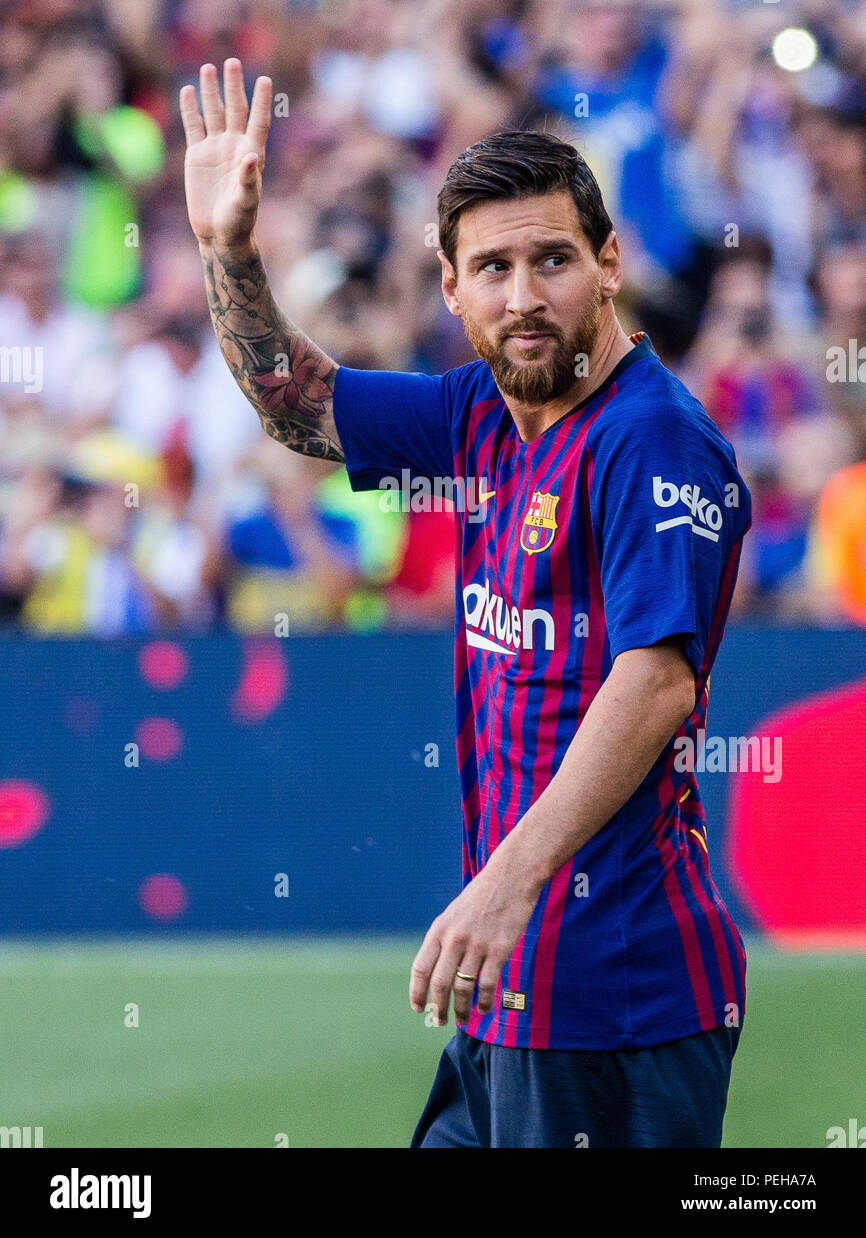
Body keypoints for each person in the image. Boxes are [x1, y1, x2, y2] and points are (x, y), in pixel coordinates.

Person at [180, 59, 751, 1148]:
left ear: (608, 265)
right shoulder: (478, 415)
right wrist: (228, 251)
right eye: (491, 267)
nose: (523, 294)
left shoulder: (649, 440)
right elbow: (297, 405)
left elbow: (653, 679)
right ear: (451, 287)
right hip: (510, 984)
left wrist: (501, 887)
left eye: (551, 259)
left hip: (613, 996)